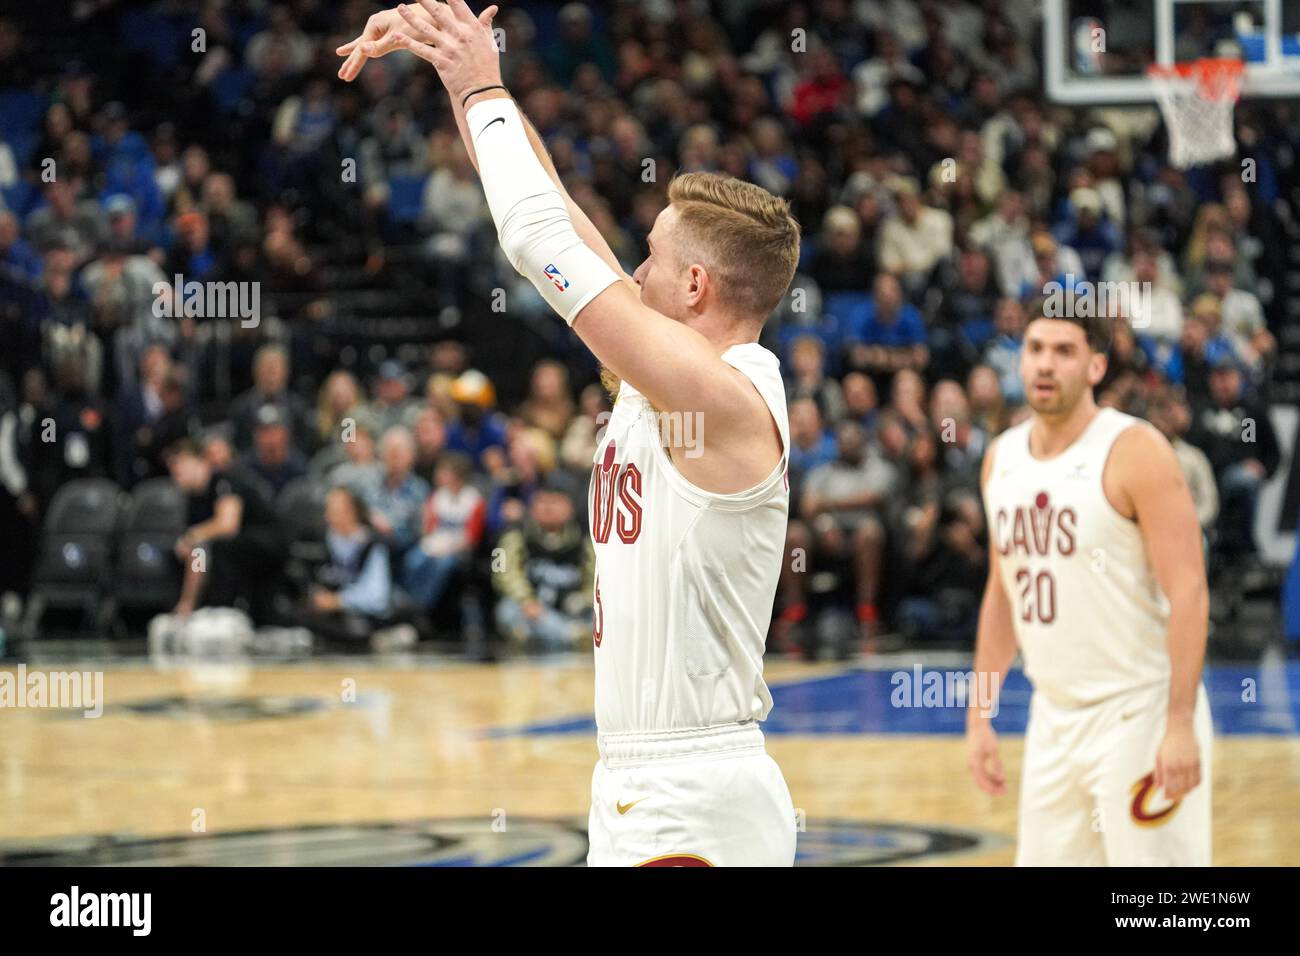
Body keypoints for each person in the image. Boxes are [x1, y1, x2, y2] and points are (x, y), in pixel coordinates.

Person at [338, 0, 797, 866]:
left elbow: (534, 239)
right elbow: (551, 209)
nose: (632, 268)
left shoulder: (723, 398)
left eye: (652, 258)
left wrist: (481, 87)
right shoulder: (666, 372)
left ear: (695, 285)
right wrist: (468, 82)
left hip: (694, 791)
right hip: (638, 777)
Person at [966, 299, 1212, 866]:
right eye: (1035, 349)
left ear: (1096, 367)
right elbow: (1003, 594)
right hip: (1052, 718)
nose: (1045, 365)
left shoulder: (1135, 450)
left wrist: (1178, 723)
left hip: (1138, 712)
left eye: (1063, 351)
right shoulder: (1000, 458)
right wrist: (979, 715)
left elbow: (1190, 592)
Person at [166, 440, 285, 624]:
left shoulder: (225, 480)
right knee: (186, 552)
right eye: (173, 467)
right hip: (237, 544)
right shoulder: (193, 499)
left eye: (182, 463)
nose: (177, 471)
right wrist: (187, 601)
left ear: (202, 461)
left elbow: (228, 525)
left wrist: (191, 536)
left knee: (220, 549)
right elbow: (197, 552)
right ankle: (190, 608)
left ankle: (222, 610)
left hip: (269, 539)